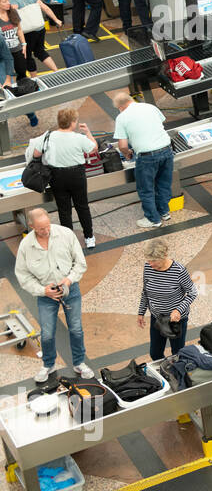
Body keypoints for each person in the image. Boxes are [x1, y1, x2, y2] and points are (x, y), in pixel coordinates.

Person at [15, 208, 93, 383]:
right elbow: (23, 276)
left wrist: (68, 281)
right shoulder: (26, 246)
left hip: (70, 290)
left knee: (76, 329)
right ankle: (48, 364)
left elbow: (80, 263)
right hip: (45, 295)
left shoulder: (65, 234)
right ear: (31, 226)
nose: (46, 231)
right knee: (48, 333)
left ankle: (79, 363)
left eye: (47, 226)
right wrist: (43, 291)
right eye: (41, 229)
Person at [27, 109, 97, 249]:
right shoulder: (78, 138)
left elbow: (36, 153)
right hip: (77, 175)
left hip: (57, 176)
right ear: (73, 122)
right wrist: (88, 132)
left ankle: (68, 240)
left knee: (64, 209)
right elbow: (93, 149)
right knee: (82, 207)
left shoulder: (48, 136)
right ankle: (89, 237)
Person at [113, 92, 176, 227]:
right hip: (166, 149)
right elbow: (160, 123)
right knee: (163, 184)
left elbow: (123, 145)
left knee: (146, 188)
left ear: (120, 107)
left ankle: (153, 219)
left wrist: (128, 153)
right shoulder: (150, 107)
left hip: (147, 156)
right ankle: (164, 211)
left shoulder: (122, 117)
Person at [135, 237, 198, 358]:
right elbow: (145, 291)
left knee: (178, 354)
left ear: (164, 255)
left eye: (154, 260)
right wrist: (141, 312)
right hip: (157, 317)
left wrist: (178, 310)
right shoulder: (148, 267)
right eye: (149, 260)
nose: (151, 264)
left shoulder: (179, 271)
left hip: (176, 321)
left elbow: (192, 292)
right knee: (155, 353)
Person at [4, 0, 60, 73]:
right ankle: (56, 70)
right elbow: (45, 7)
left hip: (28, 31)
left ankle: (34, 81)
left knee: (27, 56)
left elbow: (12, 14)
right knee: (40, 51)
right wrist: (56, 20)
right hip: (40, 28)